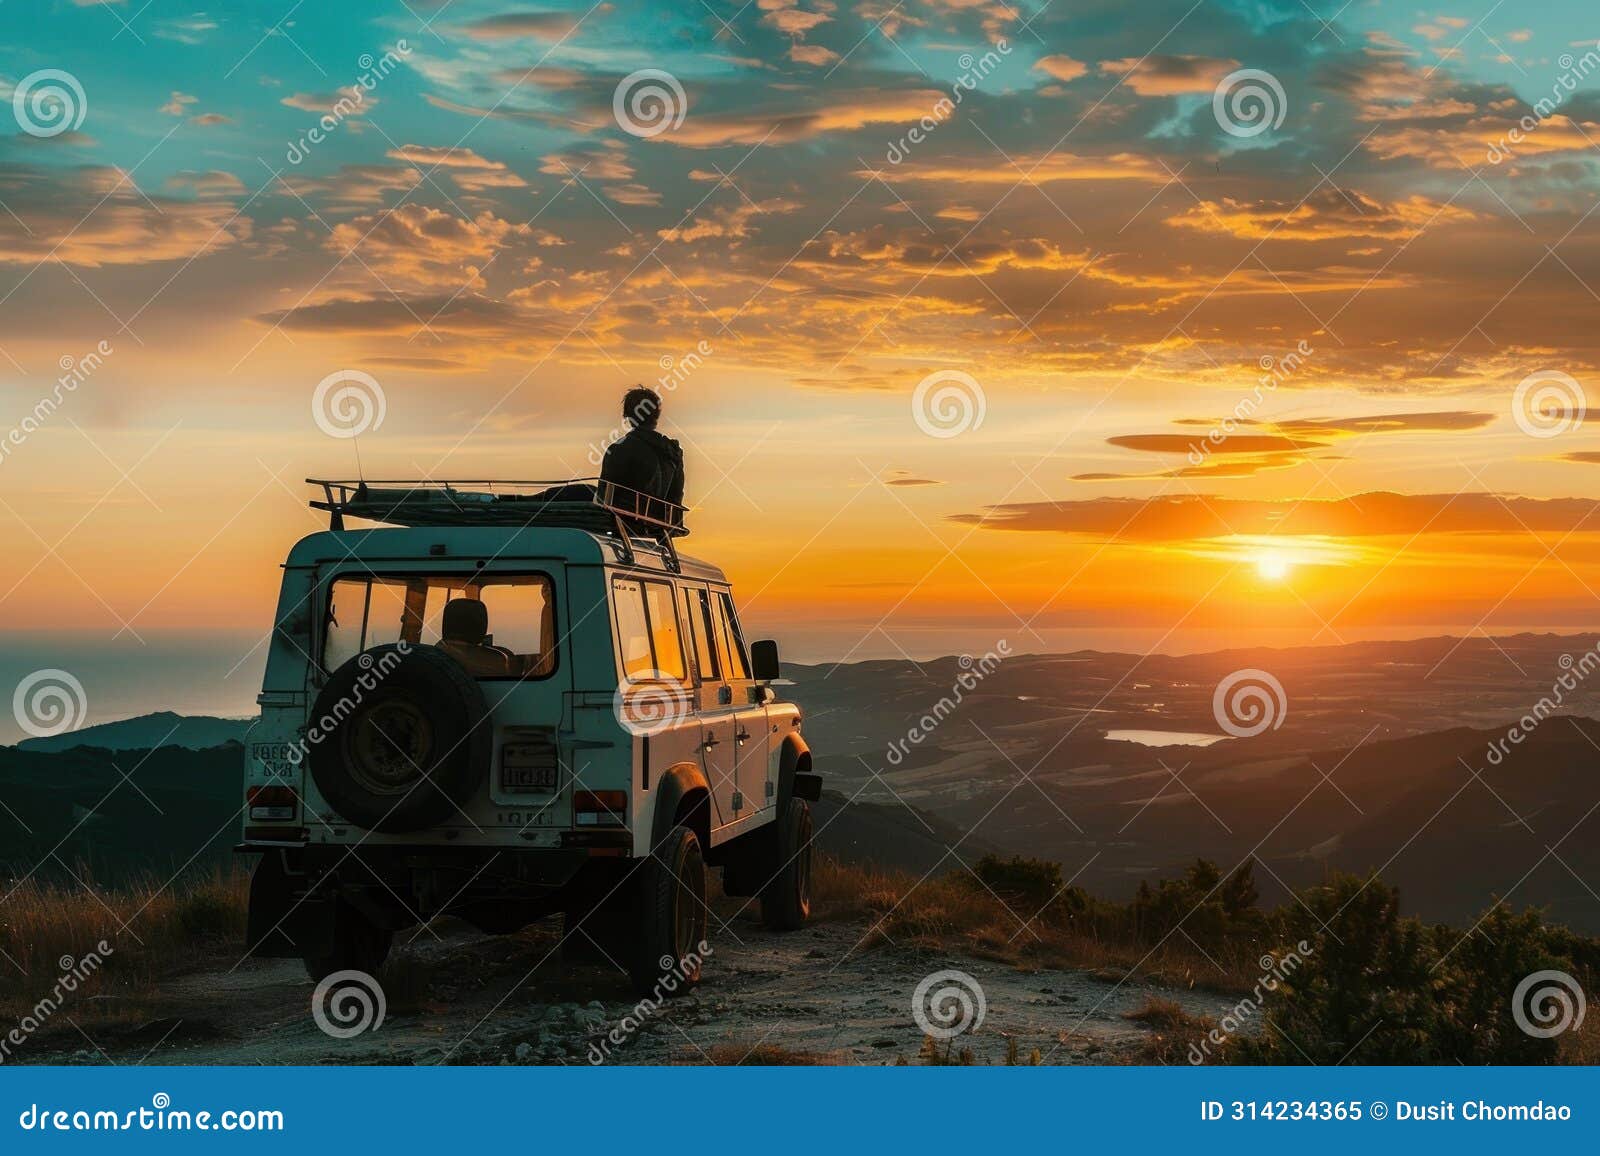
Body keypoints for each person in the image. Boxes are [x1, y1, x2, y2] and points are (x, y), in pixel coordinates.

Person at [599, 386, 685, 531]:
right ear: (656, 416)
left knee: (570, 493)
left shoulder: (619, 449)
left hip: (625, 523)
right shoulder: (673, 452)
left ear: (627, 416)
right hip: (656, 526)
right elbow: (675, 499)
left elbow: (603, 497)